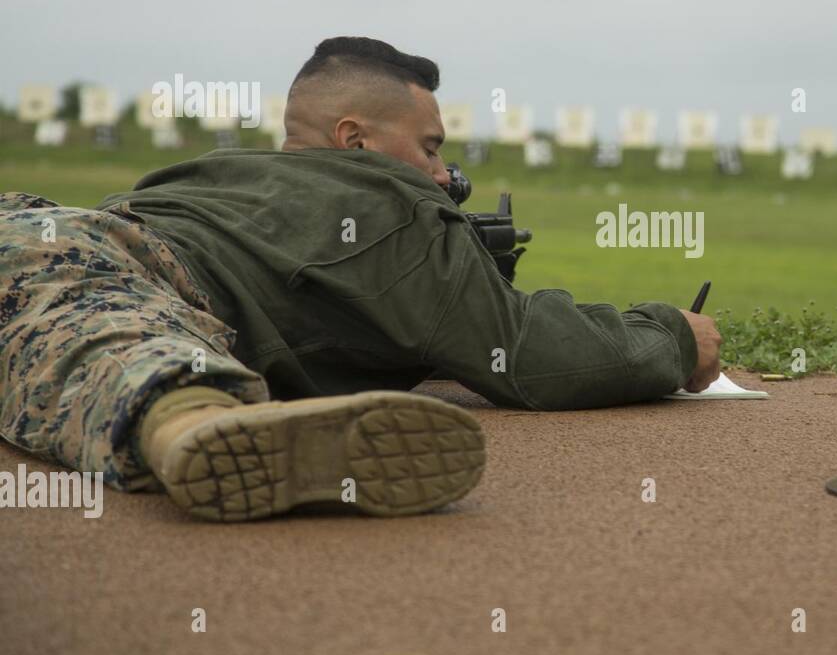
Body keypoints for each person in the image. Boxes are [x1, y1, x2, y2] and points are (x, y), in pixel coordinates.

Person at [0, 37, 722, 522]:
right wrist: (670, 338)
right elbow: (529, 355)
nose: (444, 176)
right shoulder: (384, 196)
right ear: (356, 140)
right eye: (431, 149)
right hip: (89, 265)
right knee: (107, 338)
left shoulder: (226, 173)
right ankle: (199, 426)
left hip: (42, 231)